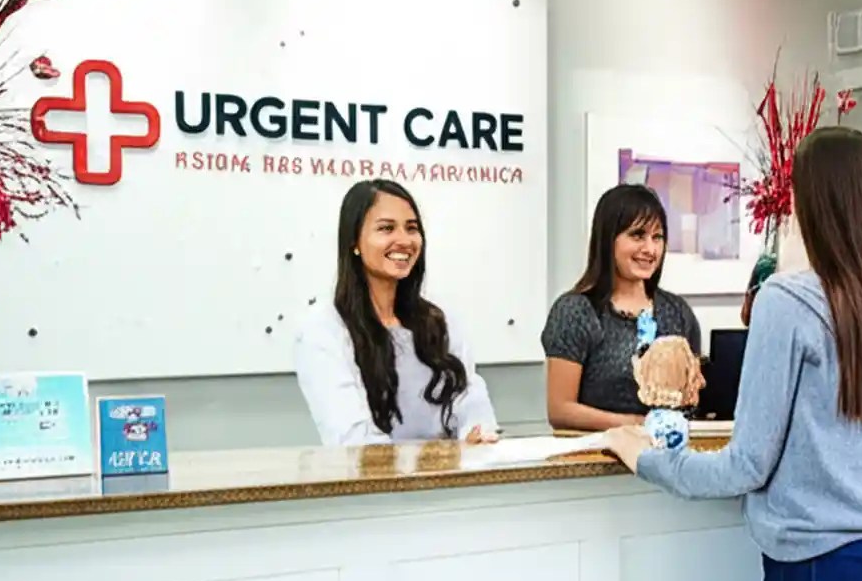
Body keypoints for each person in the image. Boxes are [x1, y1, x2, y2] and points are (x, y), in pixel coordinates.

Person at [605, 126, 862, 581]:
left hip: (817, 556)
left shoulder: (788, 299)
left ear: (807, 202)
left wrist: (647, 459)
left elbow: (747, 464)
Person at [294, 179, 499, 446]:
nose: (404, 240)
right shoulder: (322, 328)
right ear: (354, 241)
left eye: (411, 228)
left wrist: (478, 435)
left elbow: (471, 401)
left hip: (453, 482)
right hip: (373, 485)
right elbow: (351, 439)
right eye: (386, 228)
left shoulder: (440, 320)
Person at [541, 184, 701, 431]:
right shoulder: (575, 312)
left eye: (657, 237)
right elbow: (561, 410)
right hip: (599, 462)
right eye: (638, 235)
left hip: (669, 462)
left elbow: (692, 401)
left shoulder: (678, 312)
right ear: (608, 240)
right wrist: (639, 425)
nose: (650, 249)